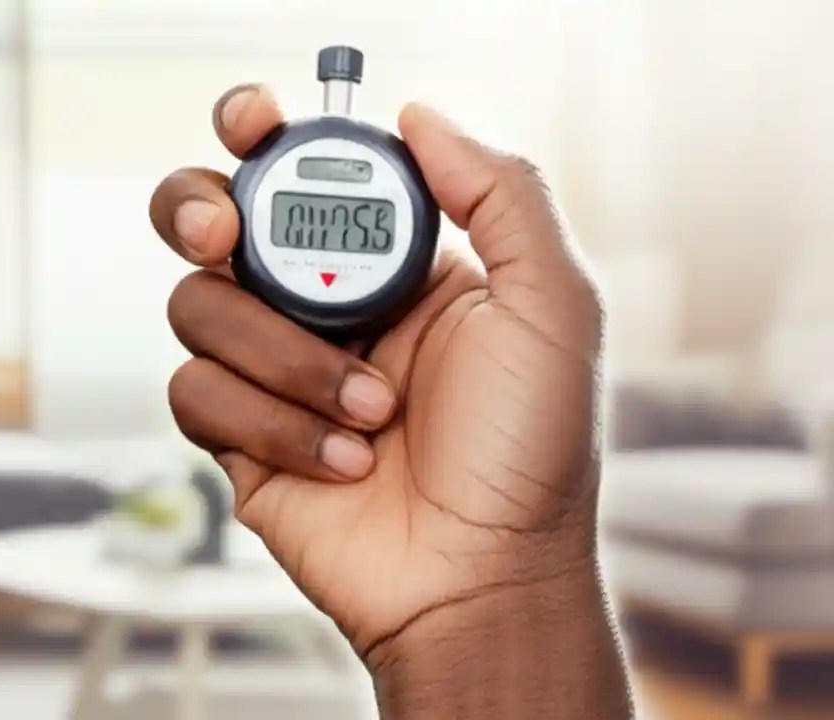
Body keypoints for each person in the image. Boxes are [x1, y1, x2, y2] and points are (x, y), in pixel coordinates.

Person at [149, 84, 633, 719]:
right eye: (309, 221)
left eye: (355, 227)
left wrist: (501, 587)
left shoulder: (461, 340)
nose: (328, 260)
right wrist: (470, 618)